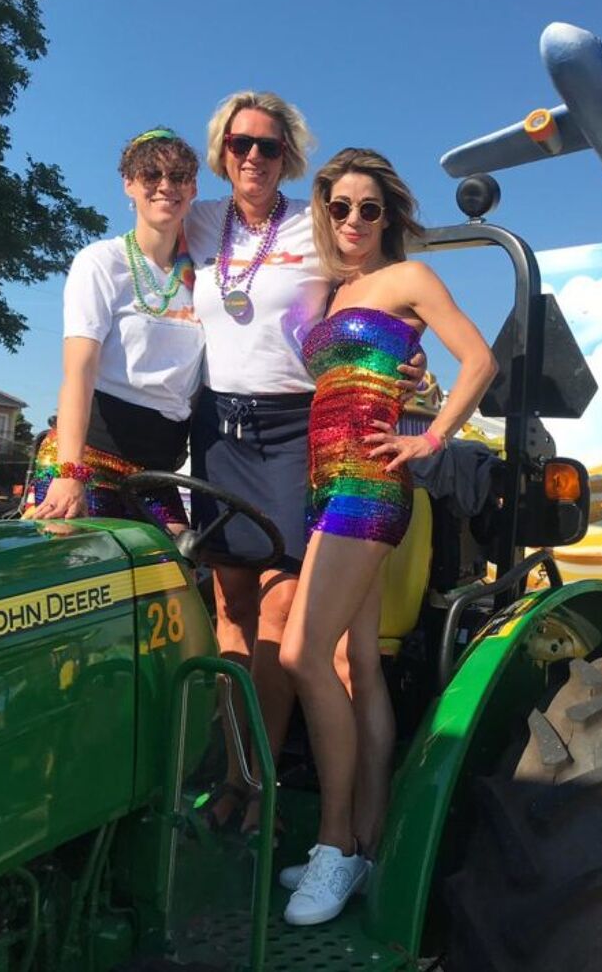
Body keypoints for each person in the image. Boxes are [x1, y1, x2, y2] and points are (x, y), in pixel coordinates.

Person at [183, 94, 426, 833]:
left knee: (285, 610)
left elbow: (383, 289)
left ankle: (268, 787)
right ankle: (236, 774)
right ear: (221, 152)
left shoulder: (317, 225)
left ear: (289, 155)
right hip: (219, 427)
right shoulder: (197, 223)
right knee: (229, 612)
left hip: (298, 427)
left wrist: (407, 362)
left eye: (266, 145)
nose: (250, 157)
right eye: (237, 144)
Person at [278, 149, 497, 925]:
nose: (353, 221)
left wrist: (432, 435)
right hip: (324, 483)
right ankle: (367, 843)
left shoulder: (408, 280)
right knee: (355, 663)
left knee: (301, 654)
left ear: (391, 217)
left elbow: (479, 358)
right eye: (340, 207)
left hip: (369, 485)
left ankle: (333, 845)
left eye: (369, 209)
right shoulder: (333, 292)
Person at [32, 128, 203, 522]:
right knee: (83, 572)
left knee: (174, 571)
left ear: (192, 189)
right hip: (90, 455)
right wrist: (70, 473)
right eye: (150, 176)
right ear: (129, 184)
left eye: (178, 178)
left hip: (156, 468)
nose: (165, 187)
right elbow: (79, 371)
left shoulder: (204, 278)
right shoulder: (100, 262)